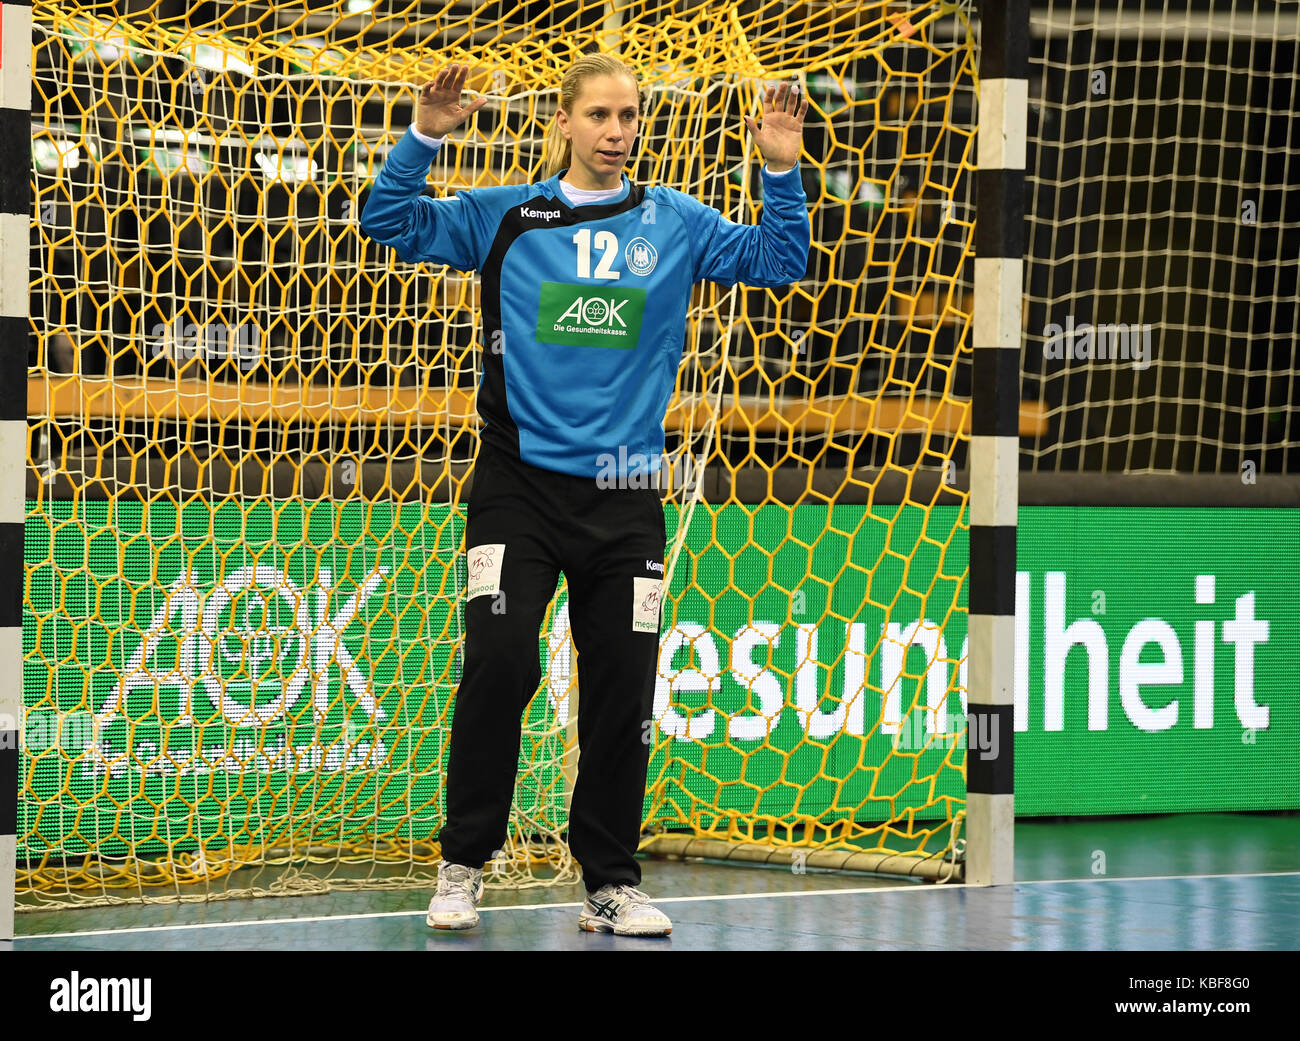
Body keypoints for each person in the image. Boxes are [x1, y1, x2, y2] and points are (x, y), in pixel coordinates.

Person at [360, 55, 808, 937]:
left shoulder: (672, 219)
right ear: (562, 123)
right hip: (518, 486)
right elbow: (388, 219)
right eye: (598, 114)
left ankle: (608, 881)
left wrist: (781, 165)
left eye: (628, 116)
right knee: (500, 662)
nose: (615, 130)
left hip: (625, 490)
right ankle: (463, 862)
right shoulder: (506, 215)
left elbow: (779, 259)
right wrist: (421, 136)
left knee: (622, 687)